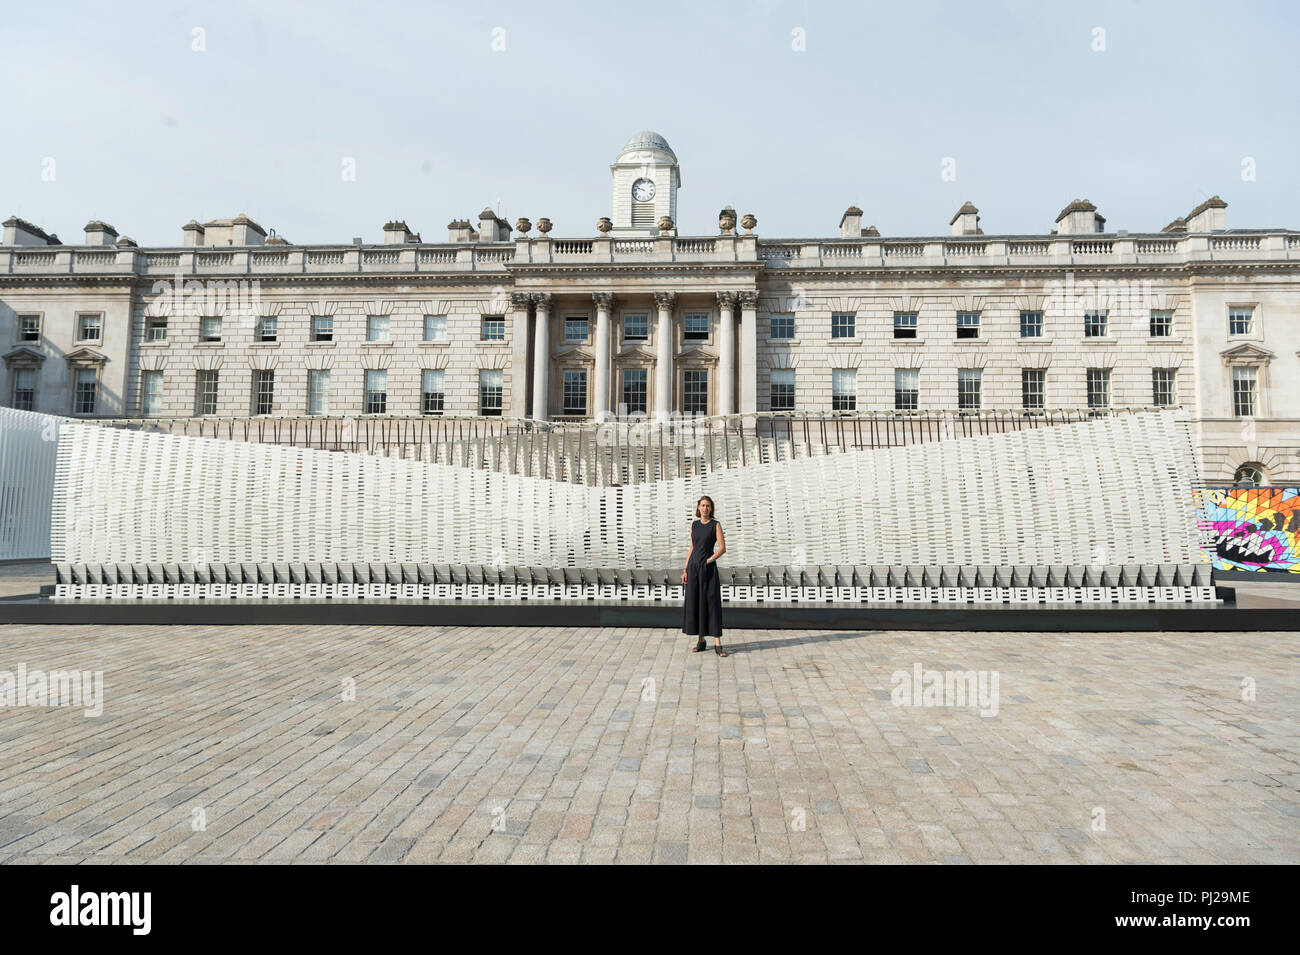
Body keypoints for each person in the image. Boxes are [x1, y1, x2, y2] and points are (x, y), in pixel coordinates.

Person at [681, 495, 727, 655]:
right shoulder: (694, 525)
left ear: (711, 508)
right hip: (693, 569)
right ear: (698, 508)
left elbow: (722, 548)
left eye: (708, 505)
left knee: (712, 604)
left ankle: (718, 643)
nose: (705, 508)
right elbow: (691, 548)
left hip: (708, 569)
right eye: (702, 505)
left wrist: (709, 560)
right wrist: (685, 569)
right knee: (697, 603)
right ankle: (701, 640)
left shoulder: (715, 525)